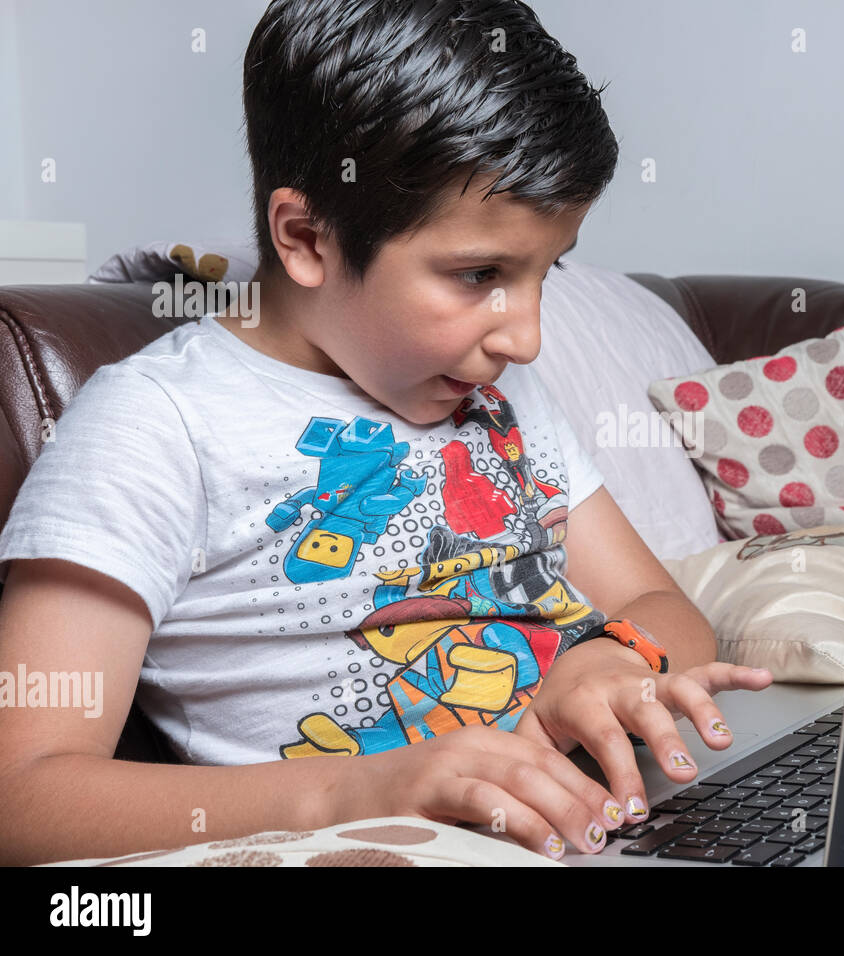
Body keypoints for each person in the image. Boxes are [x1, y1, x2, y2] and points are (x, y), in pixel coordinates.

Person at [0, 0, 772, 867]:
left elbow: (664, 608)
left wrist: (612, 660)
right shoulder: (154, 426)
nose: (526, 336)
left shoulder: (495, 389)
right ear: (306, 238)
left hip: (607, 818)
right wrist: (356, 792)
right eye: (479, 274)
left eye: (541, 272)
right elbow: (24, 794)